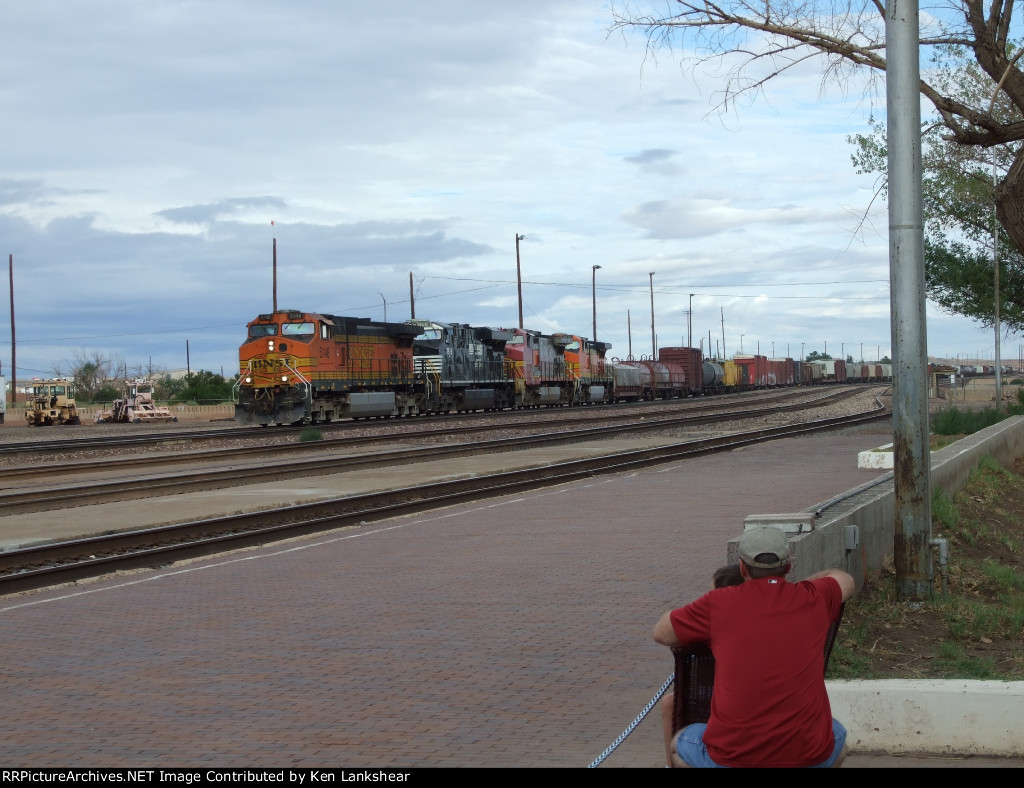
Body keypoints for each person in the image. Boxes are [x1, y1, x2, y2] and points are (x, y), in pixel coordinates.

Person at [654, 525, 856, 768]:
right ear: (788, 567)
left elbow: (661, 632)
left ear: (742, 567)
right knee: (837, 739)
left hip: (734, 759)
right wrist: (798, 587)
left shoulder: (719, 603)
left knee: (678, 744)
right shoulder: (814, 597)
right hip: (807, 756)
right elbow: (844, 579)